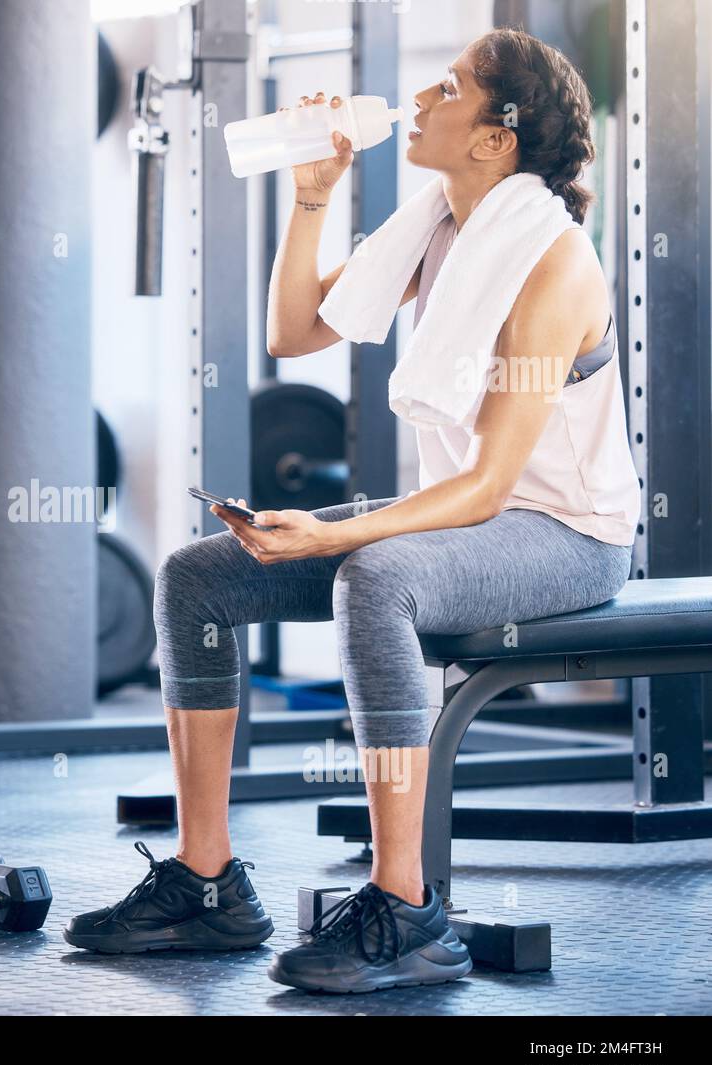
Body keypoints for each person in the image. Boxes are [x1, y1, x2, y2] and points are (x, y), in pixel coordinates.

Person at [64, 28, 639, 994]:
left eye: (449, 88)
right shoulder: (439, 230)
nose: (421, 99)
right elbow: (293, 332)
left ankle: (405, 909)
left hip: (567, 536)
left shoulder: (549, 261)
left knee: (377, 577)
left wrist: (335, 533)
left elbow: (494, 488)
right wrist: (314, 198)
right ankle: (206, 885)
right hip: (471, 523)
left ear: (497, 138)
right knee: (197, 579)